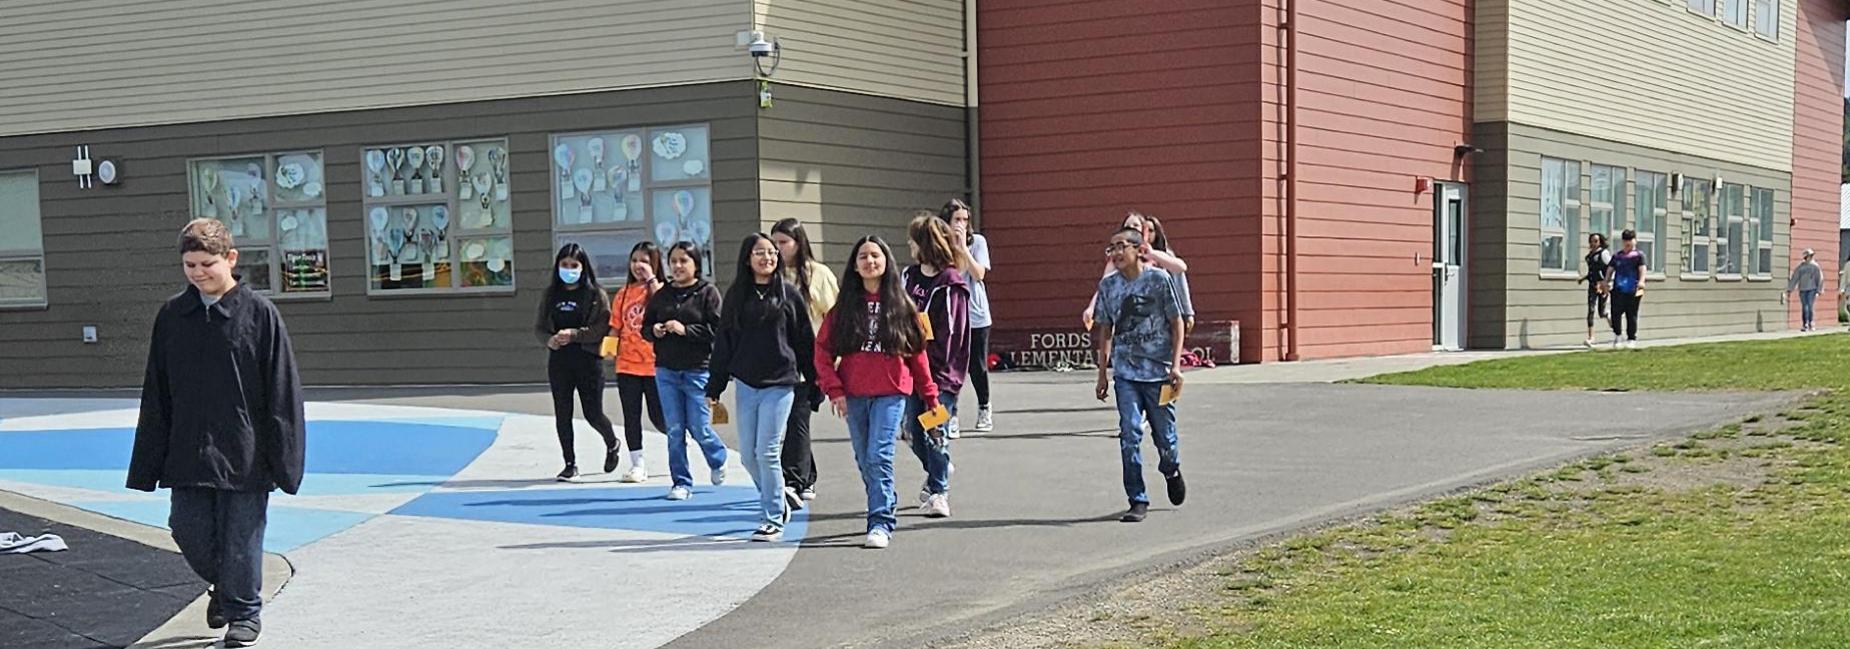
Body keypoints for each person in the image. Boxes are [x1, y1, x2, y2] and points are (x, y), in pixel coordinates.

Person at [128, 219, 304, 648]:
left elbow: (282, 391)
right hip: (188, 450)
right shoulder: (172, 316)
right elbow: (158, 390)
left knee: (241, 537)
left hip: (246, 452)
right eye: (189, 264)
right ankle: (227, 590)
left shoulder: (260, 315)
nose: (197, 272)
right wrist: (148, 462)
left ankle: (243, 614)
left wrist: (286, 462)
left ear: (230, 259)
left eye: (206, 263)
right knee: (186, 529)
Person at [814, 235, 940, 549]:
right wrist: (834, 390)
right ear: (855, 266)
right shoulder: (842, 309)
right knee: (863, 458)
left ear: (886, 262)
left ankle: (880, 521)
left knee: (879, 455)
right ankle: (885, 499)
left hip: (892, 392)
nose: (870, 262)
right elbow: (822, 352)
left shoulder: (903, 306)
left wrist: (932, 400)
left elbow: (918, 356)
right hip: (853, 394)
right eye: (863, 257)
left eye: (876, 256)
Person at [708, 234, 816, 542]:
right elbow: (724, 342)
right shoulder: (736, 295)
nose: (767, 257)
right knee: (748, 457)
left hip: (781, 383)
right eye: (759, 252)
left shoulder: (790, 294)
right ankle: (779, 500)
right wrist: (714, 386)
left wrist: (815, 381)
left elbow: (805, 342)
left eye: (772, 252)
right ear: (747, 258)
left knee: (767, 452)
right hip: (746, 383)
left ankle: (771, 518)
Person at [1091, 226, 1187, 523]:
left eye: (1122, 246)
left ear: (1138, 250)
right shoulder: (1108, 287)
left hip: (1158, 372)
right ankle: (1137, 498)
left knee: (1165, 438)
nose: (1117, 253)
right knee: (1130, 433)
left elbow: (1177, 321)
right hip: (1126, 373)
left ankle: (1171, 468)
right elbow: (1105, 328)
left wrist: (1176, 365)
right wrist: (1102, 373)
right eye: (1112, 248)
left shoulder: (1158, 280)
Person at [642, 242, 732, 500]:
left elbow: (718, 332)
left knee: (699, 426)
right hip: (666, 370)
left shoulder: (707, 292)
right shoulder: (662, 294)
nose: (678, 266)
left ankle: (718, 456)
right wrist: (656, 330)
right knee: (674, 429)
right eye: (674, 261)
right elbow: (645, 327)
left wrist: (686, 330)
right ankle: (681, 482)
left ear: (695, 264)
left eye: (684, 261)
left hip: (698, 370)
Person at [903, 213, 972, 518]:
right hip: (910, 369)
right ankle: (939, 466)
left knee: (934, 430)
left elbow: (952, 333)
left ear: (924, 243)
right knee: (910, 432)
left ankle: (938, 492)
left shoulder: (950, 283)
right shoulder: (909, 276)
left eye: (912, 240)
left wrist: (939, 370)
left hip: (941, 375)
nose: (908, 245)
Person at [536, 243, 618, 481]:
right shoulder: (551, 294)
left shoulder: (595, 295)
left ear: (583, 268)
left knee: (593, 413)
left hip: (588, 360)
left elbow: (602, 327)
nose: (569, 269)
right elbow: (539, 327)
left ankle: (612, 442)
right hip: (560, 361)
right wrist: (549, 339)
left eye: (574, 265)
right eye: (565, 265)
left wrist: (575, 334)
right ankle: (570, 464)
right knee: (563, 413)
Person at [771, 218, 837, 501]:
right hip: (775, 361)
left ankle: (794, 480)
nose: (777, 249)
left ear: (799, 242)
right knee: (789, 420)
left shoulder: (818, 274)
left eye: (783, 242)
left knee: (798, 417)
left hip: (810, 360)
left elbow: (834, 318)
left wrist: (833, 361)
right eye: (773, 243)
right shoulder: (768, 275)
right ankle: (805, 475)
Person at [605, 242, 667, 483]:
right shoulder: (623, 293)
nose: (638, 265)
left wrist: (651, 279)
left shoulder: (660, 289)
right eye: (634, 260)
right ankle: (637, 464)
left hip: (654, 364)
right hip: (627, 365)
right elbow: (615, 326)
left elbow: (663, 303)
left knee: (659, 416)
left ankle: (679, 442)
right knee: (631, 416)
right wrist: (609, 349)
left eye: (644, 260)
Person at [1082, 212, 1191, 332]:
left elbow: (1180, 268)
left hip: (1159, 317)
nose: (1132, 228)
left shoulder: (1158, 253)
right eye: (1128, 225)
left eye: (1135, 225)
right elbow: (1105, 284)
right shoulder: (1117, 258)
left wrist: (1152, 253)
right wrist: (1091, 308)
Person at [943, 199, 995, 435]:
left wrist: (964, 247)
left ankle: (985, 407)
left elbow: (979, 274)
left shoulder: (978, 242)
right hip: (949, 315)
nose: (962, 224)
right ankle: (950, 415)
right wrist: (952, 246)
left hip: (975, 313)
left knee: (977, 366)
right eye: (957, 220)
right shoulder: (940, 244)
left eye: (965, 220)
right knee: (950, 366)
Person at [1605, 229, 1647, 350]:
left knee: (1632, 314)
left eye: (1631, 240)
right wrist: (1606, 281)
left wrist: (1641, 281)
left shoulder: (1639, 256)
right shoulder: (1618, 256)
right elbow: (1610, 269)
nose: (1628, 242)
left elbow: (1642, 269)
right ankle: (1618, 336)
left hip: (1634, 289)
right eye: (1626, 240)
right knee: (1616, 313)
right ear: (1623, 241)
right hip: (1618, 289)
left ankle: (1631, 338)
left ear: (1635, 241)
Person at [1577, 233, 1613, 348]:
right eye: (1591, 241)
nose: (1593, 243)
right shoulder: (1589, 257)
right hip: (1592, 287)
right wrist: (1584, 278)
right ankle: (1591, 337)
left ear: (1600, 242)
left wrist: (1606, 283)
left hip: (1602, 287)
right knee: (1591, 310)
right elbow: (1592, 272)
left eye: (1596, 241)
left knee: (1601, 312)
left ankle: (1607, 315)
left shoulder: (1604, 254)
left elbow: (1611, 268)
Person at [1785, 248, 1823, 332]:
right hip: (1802, 289)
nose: (1810, 257)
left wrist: (1819, 290)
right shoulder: (1801, 267)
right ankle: (1805, 324)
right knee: (1804, 307)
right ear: (1805, 257)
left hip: (1812, 289)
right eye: (1809, 256)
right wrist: (1790, 289)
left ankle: (1811, 323)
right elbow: (1795, 278)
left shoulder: (1815, 266)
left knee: (1810, 306)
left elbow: (1819, 278)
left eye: (1811, 256)